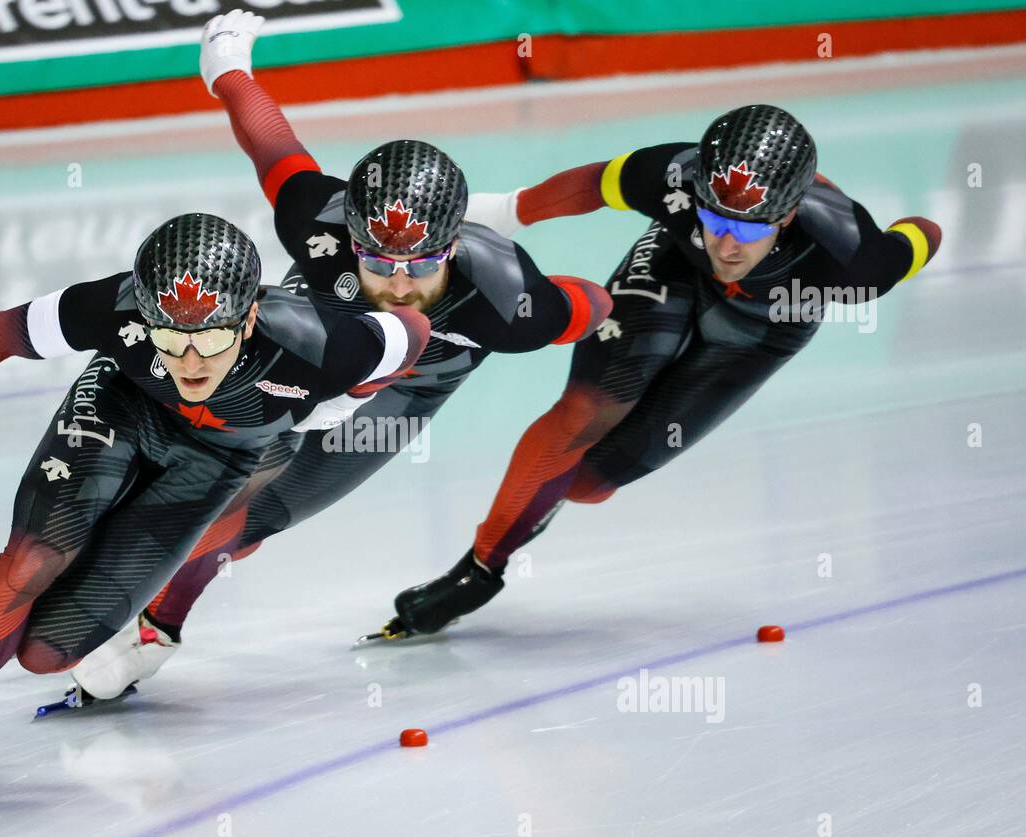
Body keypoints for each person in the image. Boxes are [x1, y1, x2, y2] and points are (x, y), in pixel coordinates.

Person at [66, 9, 614, 697]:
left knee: (253, 520)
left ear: (453, 250)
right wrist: (227, 64)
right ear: (348, 235)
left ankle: (159, 627)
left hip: (403, 393)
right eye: (376, 259)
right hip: (308, 355)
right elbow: (272, 142)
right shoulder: (318, 219)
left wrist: (552, 260)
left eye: (420, 266)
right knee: (208, 480)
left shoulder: (507, 302)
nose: (395, 285)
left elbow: (592, 304)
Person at [0, 212, 429, 802]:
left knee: (45, 654)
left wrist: (340, 404)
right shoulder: (115, 310)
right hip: (122, 408)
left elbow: (414, 334)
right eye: (170, 338)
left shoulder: (324, 343)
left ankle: (1, 632)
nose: (190, 362)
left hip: (217, 459)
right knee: (35, 558)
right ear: (146, 318)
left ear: (247, 321)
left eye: (211, 339)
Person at [385, 103, 943, 636]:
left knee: (584, 484)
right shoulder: (674, 174)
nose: (727, 243)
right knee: (586, 412)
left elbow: (919, 239)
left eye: (749, 231)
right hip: (673, 267)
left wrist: (916, 229)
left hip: (767, 323)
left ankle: (539, 506)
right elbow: (594, 183)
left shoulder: (854, 260)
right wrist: (510, 209)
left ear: (791, 214)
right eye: (713, 218)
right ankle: (481, 569)